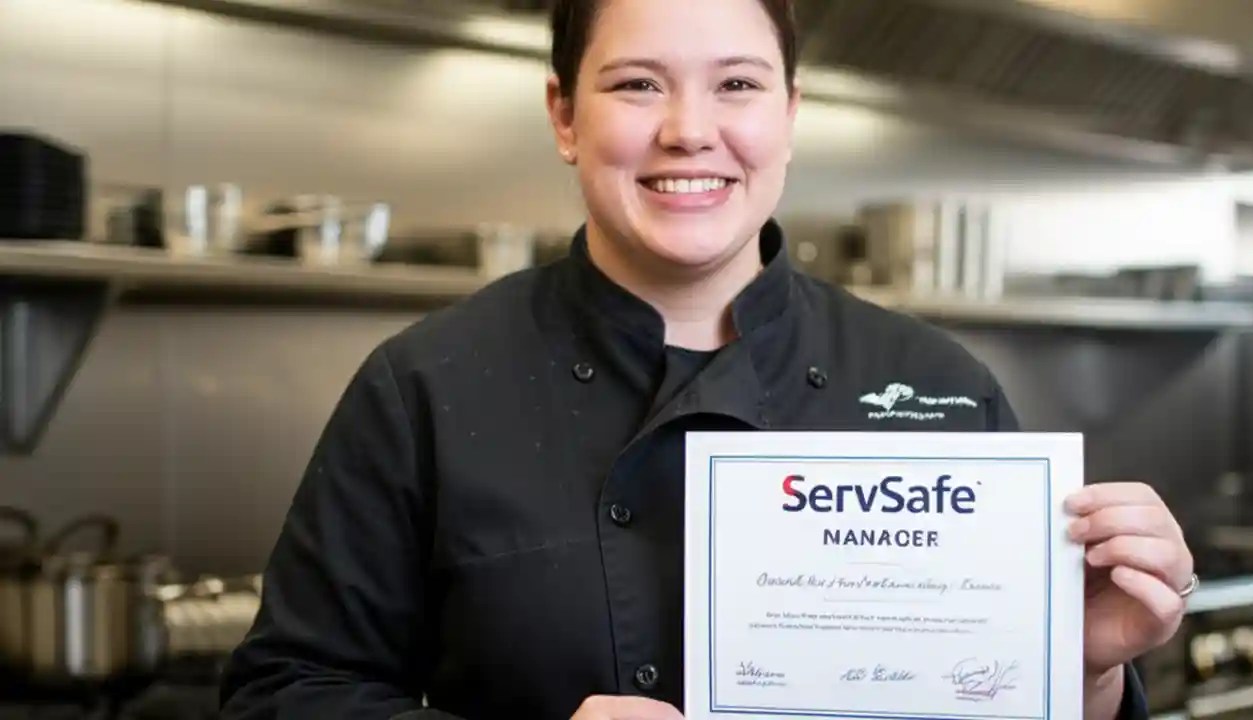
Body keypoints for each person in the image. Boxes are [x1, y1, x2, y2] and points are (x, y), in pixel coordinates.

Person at [219, 0, 1196, 718]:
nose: (690, 129)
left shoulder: (938, 386)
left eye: (736, 83)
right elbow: (281, 695)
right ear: (564, 115)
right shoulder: (423, 386)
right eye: (636, 83)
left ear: (788, 112)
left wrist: (1080, 674)